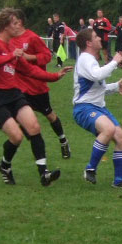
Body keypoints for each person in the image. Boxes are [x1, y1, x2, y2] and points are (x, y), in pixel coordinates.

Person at [0, 7, 60, 188]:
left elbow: (30, 70)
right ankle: (5, 165)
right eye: (15, 23)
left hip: (14, 94)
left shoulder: (12, 48)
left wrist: (55, 76)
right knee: (16, 137)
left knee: (34, 127)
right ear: (5, 26)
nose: (19, 25)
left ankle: (44, 174)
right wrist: (9, 56)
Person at [71, 26, 122, 189]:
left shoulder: (91, 61)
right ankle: (90, 169)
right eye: (95, 37)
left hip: (98, 108)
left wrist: (114, 87)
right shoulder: (85, 58)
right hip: (83, 108)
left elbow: (97, 85)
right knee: (108, 129)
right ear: (88, 43)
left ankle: (118, 181)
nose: (100, 38)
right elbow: (97, 75)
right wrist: (114, 61)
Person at [9, 11, 74, 160]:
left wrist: (28, 57)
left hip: (37, 85)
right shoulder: (10, 39)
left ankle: (63, 140)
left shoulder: (32, 38)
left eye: (12, 22)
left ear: (19, 22)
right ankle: (35, 144)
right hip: (20, 87)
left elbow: (46, 56)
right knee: (18, 118)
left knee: (49, 115)